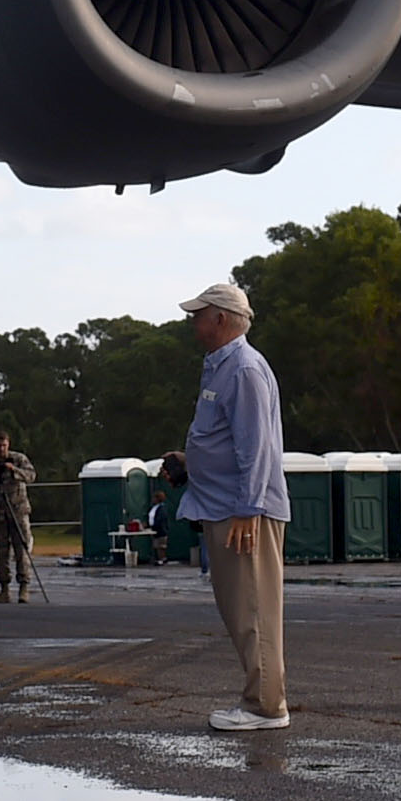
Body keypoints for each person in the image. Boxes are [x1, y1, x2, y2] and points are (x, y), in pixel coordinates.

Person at [179, 278, 291, 732]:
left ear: (220, 319)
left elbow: (257, 447)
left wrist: (248, 508)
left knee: (253, 609)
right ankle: (261, 698)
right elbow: (230, 440)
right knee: (240, 609)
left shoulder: (243, 368)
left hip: (243, 513)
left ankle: (266, 706)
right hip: (224, 506)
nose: (193, 325)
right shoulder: (221, 367)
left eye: (198, 317)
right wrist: (191, 462)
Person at [0, 432, 37, 602]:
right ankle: (4, 589)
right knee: (1, 552)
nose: (1, 449)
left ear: (8, 444)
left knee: (22, 549)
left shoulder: (19, 459)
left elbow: (31, 476)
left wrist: (14, 471)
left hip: (18, 510)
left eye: (4, 445)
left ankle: (24, 587)